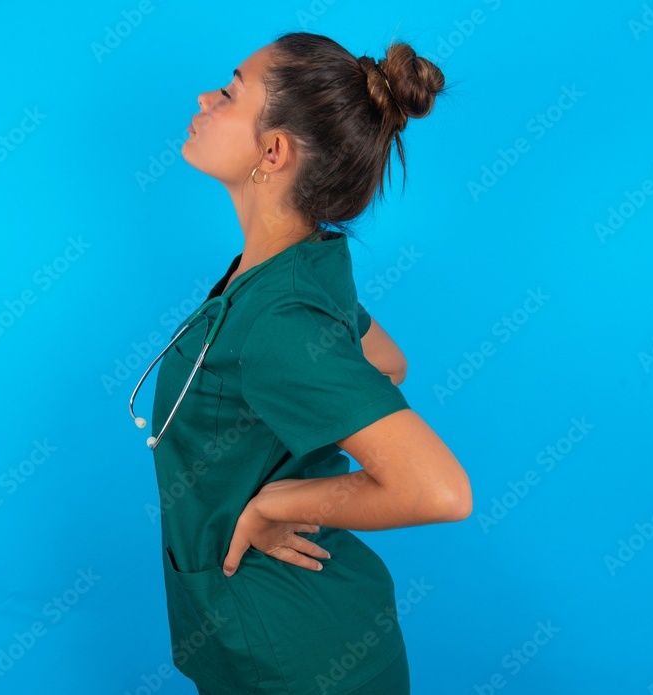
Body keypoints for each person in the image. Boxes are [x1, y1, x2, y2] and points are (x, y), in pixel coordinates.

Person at [146, 31, 472, 694]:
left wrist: (280, 501)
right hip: (298, 632)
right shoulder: (300, 266)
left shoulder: (281, 320)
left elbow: (440, 489)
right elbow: (387, 359)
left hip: (297, 658)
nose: (206, 98)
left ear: (274, 151)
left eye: (231, 91)